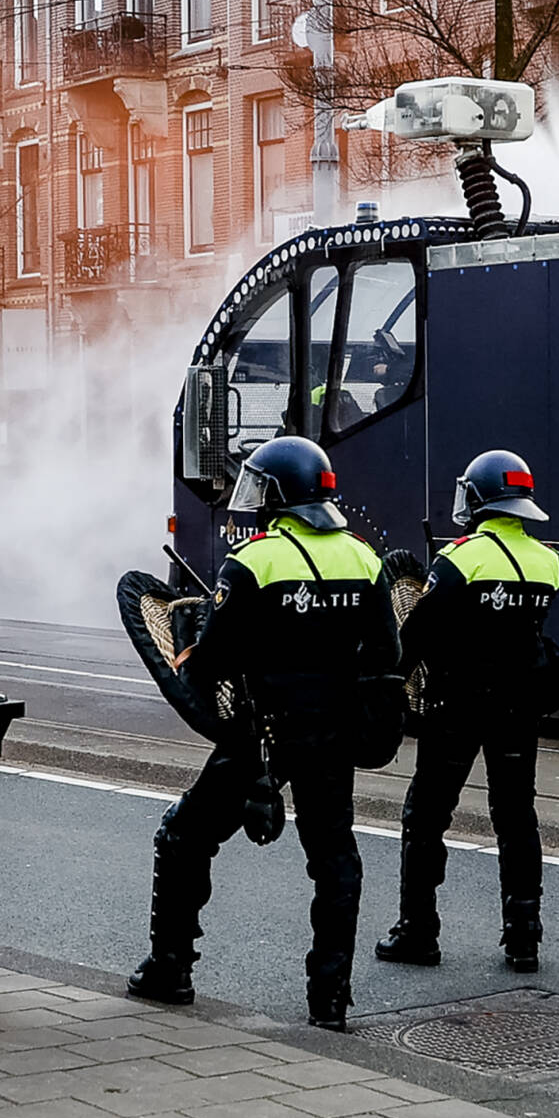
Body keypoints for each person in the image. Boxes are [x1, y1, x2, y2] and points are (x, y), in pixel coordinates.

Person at [132, 433, 400, 1028]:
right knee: (335, 861)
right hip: (332, 738)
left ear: (280, 494)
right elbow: (388, 652)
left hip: (262, 737)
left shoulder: (252, 560)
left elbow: (213, 663)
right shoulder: (365, 557)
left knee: (183, 838)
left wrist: (194, 636)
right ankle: (330, 999)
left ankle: (170, 970)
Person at [380, 450, 559, 974]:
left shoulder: (459, 559)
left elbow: (416, 636)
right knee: (515, 817)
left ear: (478, 498)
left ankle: (418, 932)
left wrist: (393, 688)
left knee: (427, 817)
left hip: (455, 707)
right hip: (518, 709)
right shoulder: (547, 561)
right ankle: (524, 937)